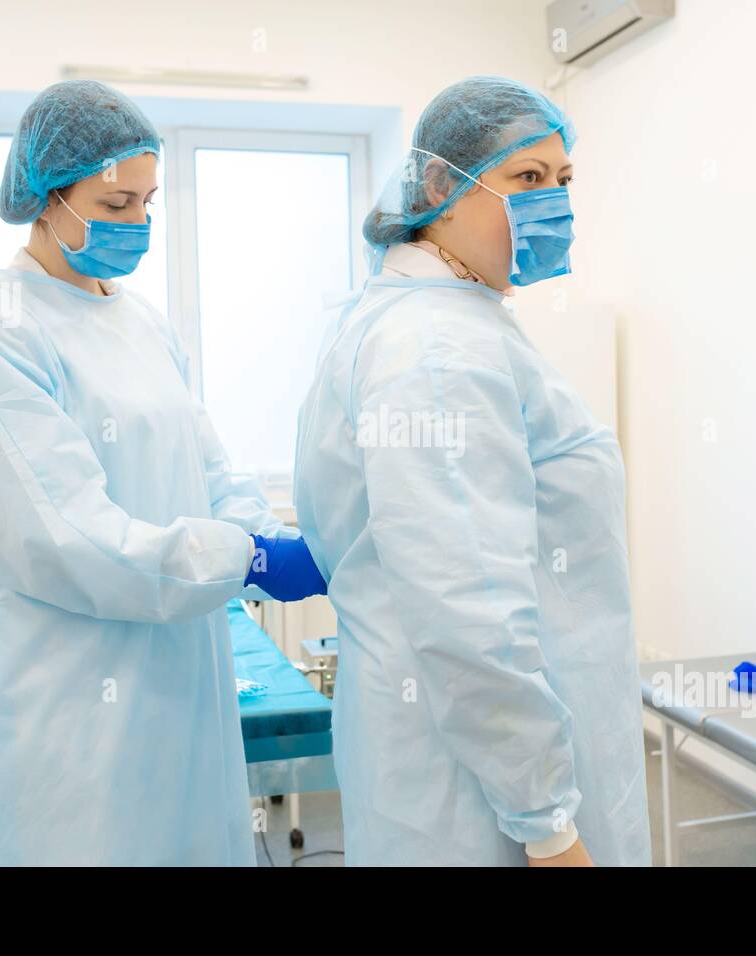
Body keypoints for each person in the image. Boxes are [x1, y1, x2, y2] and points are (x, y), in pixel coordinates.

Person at [0, 80, 325, 865]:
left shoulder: (141, 324)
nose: (139, 224)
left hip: (178, 671)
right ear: (45, 194)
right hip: (64, 701)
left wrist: (271, 534)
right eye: (118, 202)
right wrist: (247, 560)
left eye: (148, 203)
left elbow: (208, 466)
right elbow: (69, 540)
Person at [294, 75, 652, 866]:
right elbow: (471, 610)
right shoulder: (437, 349)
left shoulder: (449, 321)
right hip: (481, 794)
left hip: (453, 761)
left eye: (563, 183)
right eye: (527, 178)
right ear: (438, 188)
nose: (552, 203)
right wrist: (550, 826)